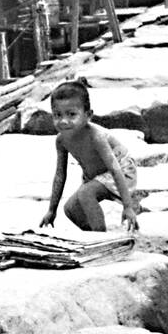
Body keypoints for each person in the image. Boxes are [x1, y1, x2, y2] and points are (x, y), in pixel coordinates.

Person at [40, 80, 139, 234]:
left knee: (85, 193)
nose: (63, 121)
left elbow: (115, 169)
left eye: (72, 114)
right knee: (71, 209)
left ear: (88, 115)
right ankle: (93, 234)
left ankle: (101, 239)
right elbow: (60, 175)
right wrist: (52, 210)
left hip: (122, 171)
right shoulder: (61, 140)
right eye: (57, 115)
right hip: (95, 175)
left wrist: (128, 206)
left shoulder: (96, 137)